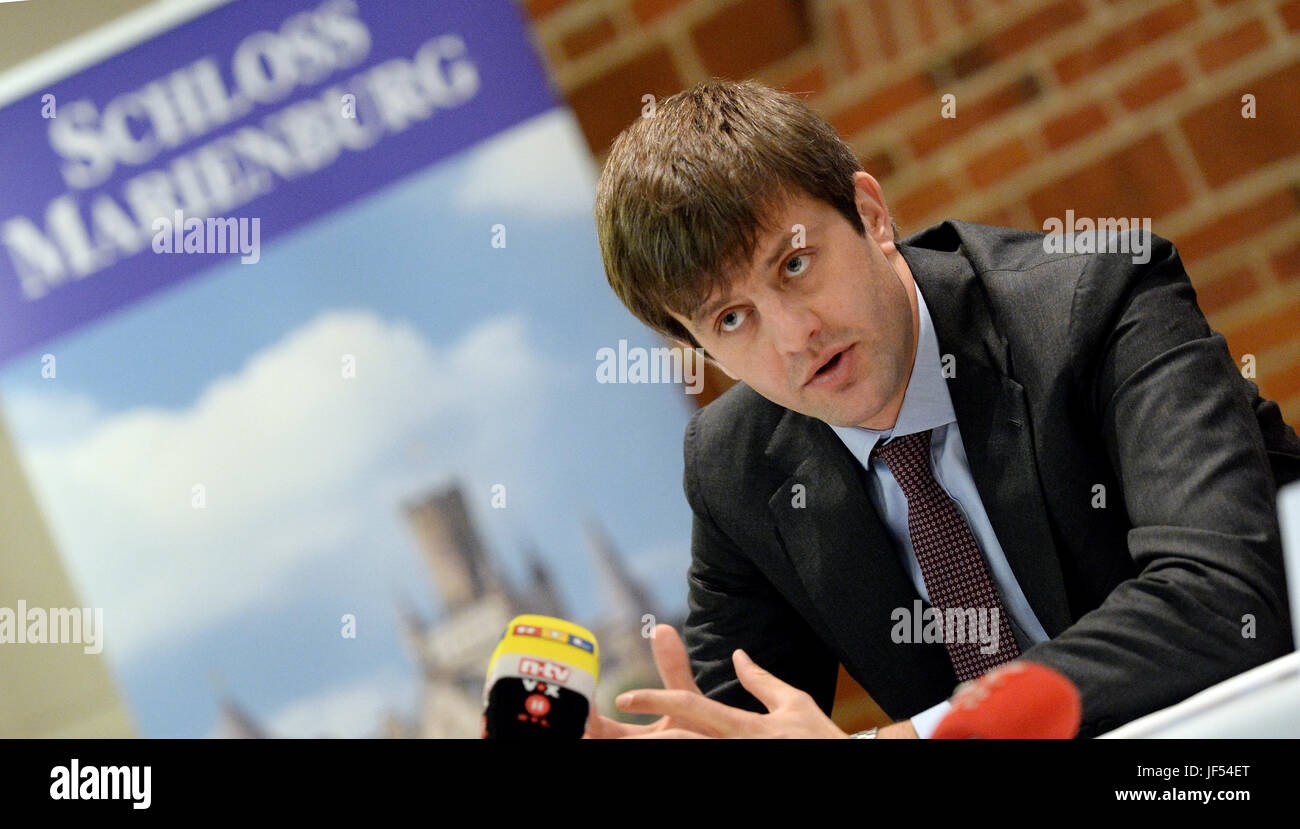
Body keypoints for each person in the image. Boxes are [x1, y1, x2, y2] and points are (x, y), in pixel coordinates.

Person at [586, 79, 1300, 739]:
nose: (795, 335)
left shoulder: (1093, 305)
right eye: (733, 319)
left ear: (870, 213)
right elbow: (739, 723)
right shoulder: (733, 467)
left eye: (795, 265)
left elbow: (1224, 602)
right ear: (699, 350)